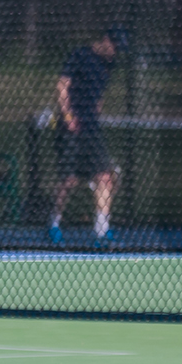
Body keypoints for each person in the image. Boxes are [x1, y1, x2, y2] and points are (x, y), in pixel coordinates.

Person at [51, 26, 128, 244]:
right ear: (105, 40)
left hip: (91, 128)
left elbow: (99, 94)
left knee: (105, 177)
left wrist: (96, 109)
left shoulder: (109, 64)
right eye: (114, 47)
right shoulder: (80, 55)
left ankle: (101, 231)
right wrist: (68, 116)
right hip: (70, 126)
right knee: (69, 180)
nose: (115, 52)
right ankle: (54, 224)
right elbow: (62, 86)